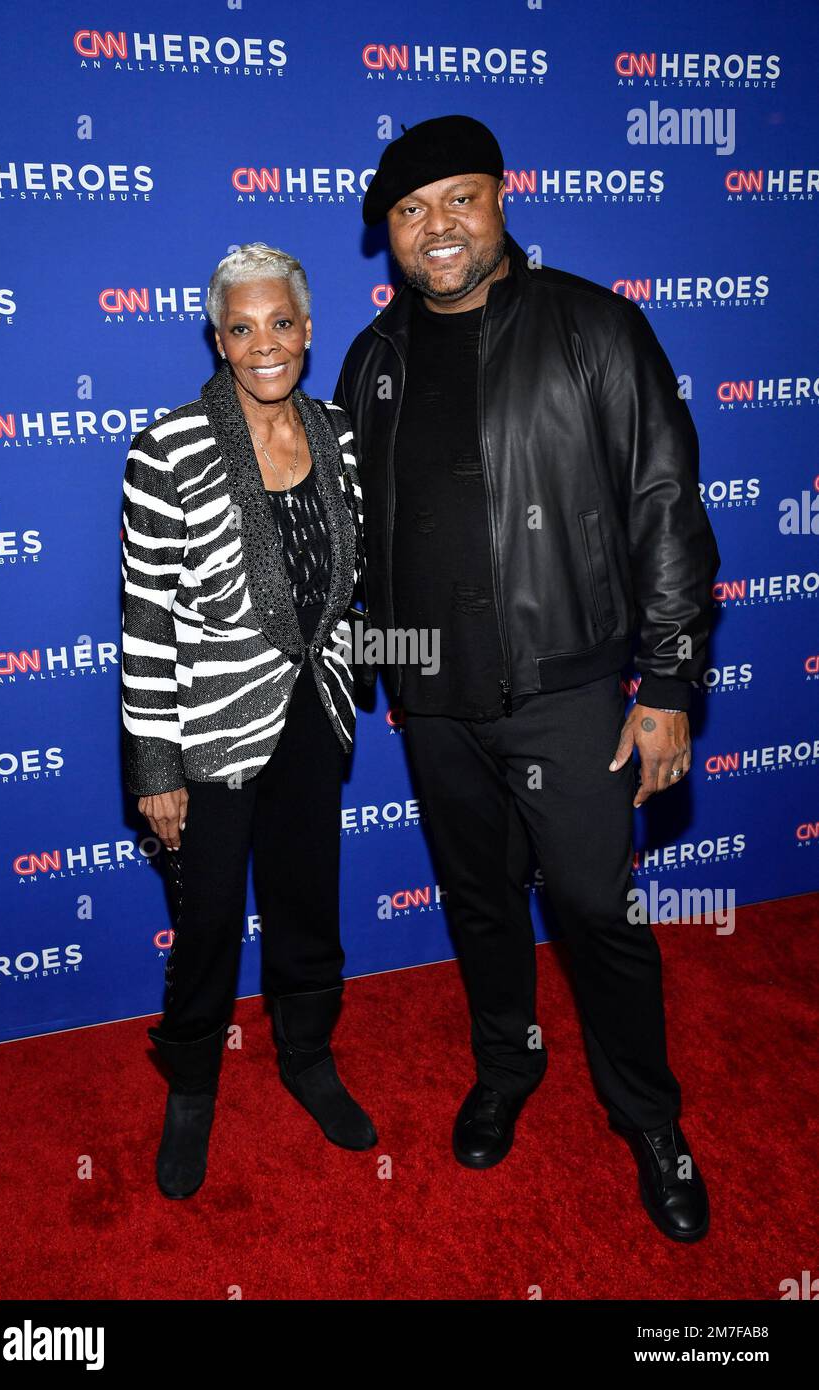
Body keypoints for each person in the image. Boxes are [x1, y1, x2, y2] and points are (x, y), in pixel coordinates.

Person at [333, 115, 721, 1242]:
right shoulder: (375, 358)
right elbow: (363, 546)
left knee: (598, 914)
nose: (435, 227)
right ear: (390, 238)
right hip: (433, 701)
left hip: (566, 689)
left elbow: (662, 508)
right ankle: (505, 1066)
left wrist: (669, 685)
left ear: (501, 198)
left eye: (455, 198)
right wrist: (367, 662)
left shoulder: (592, 326)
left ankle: (649, 1119)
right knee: (480, 906)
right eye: (409, 212)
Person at [121, 241, 375, 1200]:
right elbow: (145, 617)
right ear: (218, 339)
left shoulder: (341, 433)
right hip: (212, 727)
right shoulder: (170, 446)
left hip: (316, 711)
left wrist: (415, 663)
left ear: (308, 331)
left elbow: (354, 592)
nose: (264, 344)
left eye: (282, 324)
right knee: (209, 923)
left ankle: (308, 1056)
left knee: (310, 903)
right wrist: (155, 767)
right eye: (242, 327)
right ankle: (191, 1086)